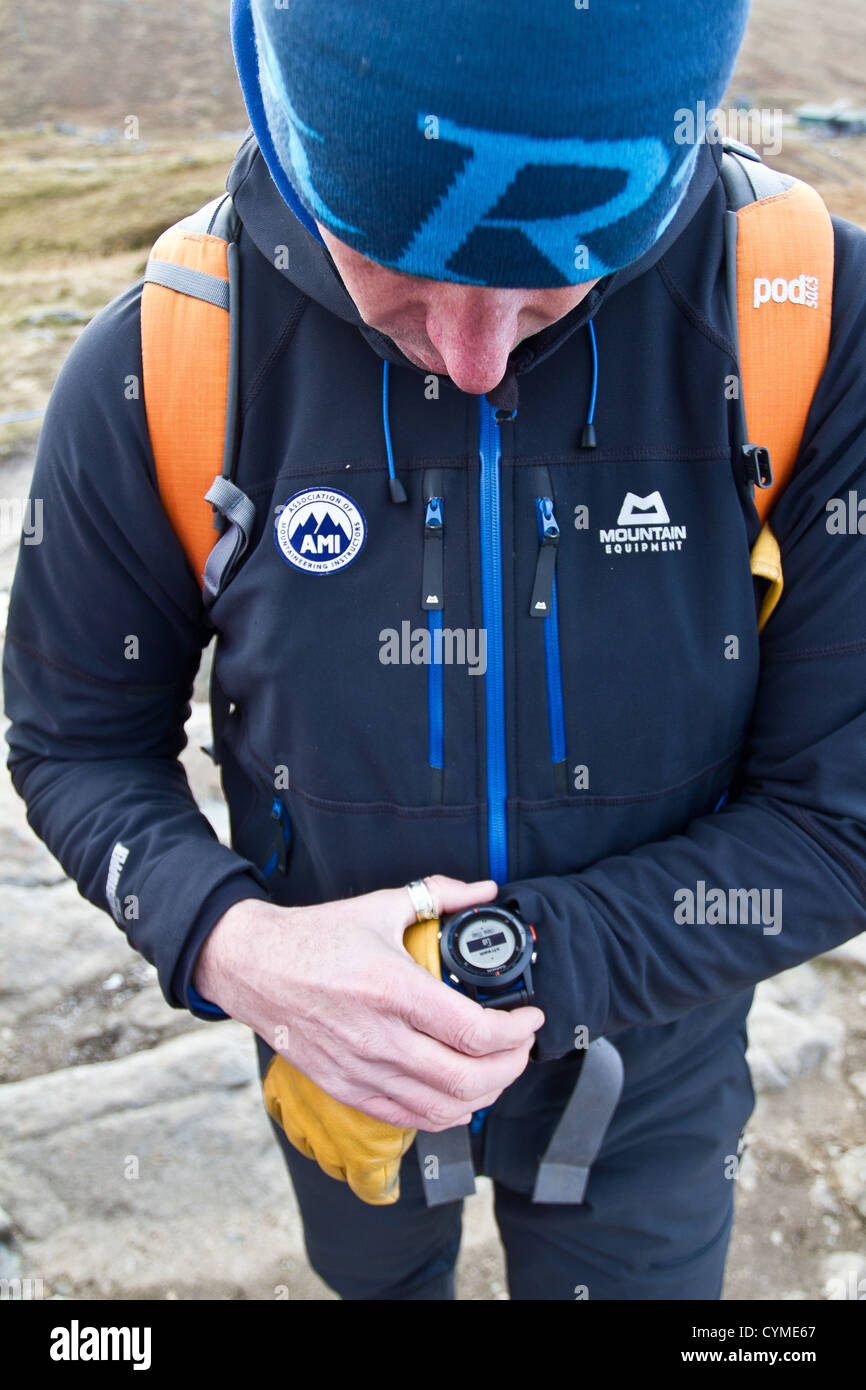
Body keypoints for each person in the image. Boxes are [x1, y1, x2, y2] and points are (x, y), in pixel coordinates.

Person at [5, 0, 866, 1301]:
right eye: (395, 267)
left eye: (556, 279)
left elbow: (840, 818)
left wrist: (513, 954)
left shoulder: (806, 322)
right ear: (299, 142)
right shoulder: (167, 354)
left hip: (653, 1063)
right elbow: (74, 740)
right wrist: (241, 948)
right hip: (328, 1052)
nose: (471, 360)